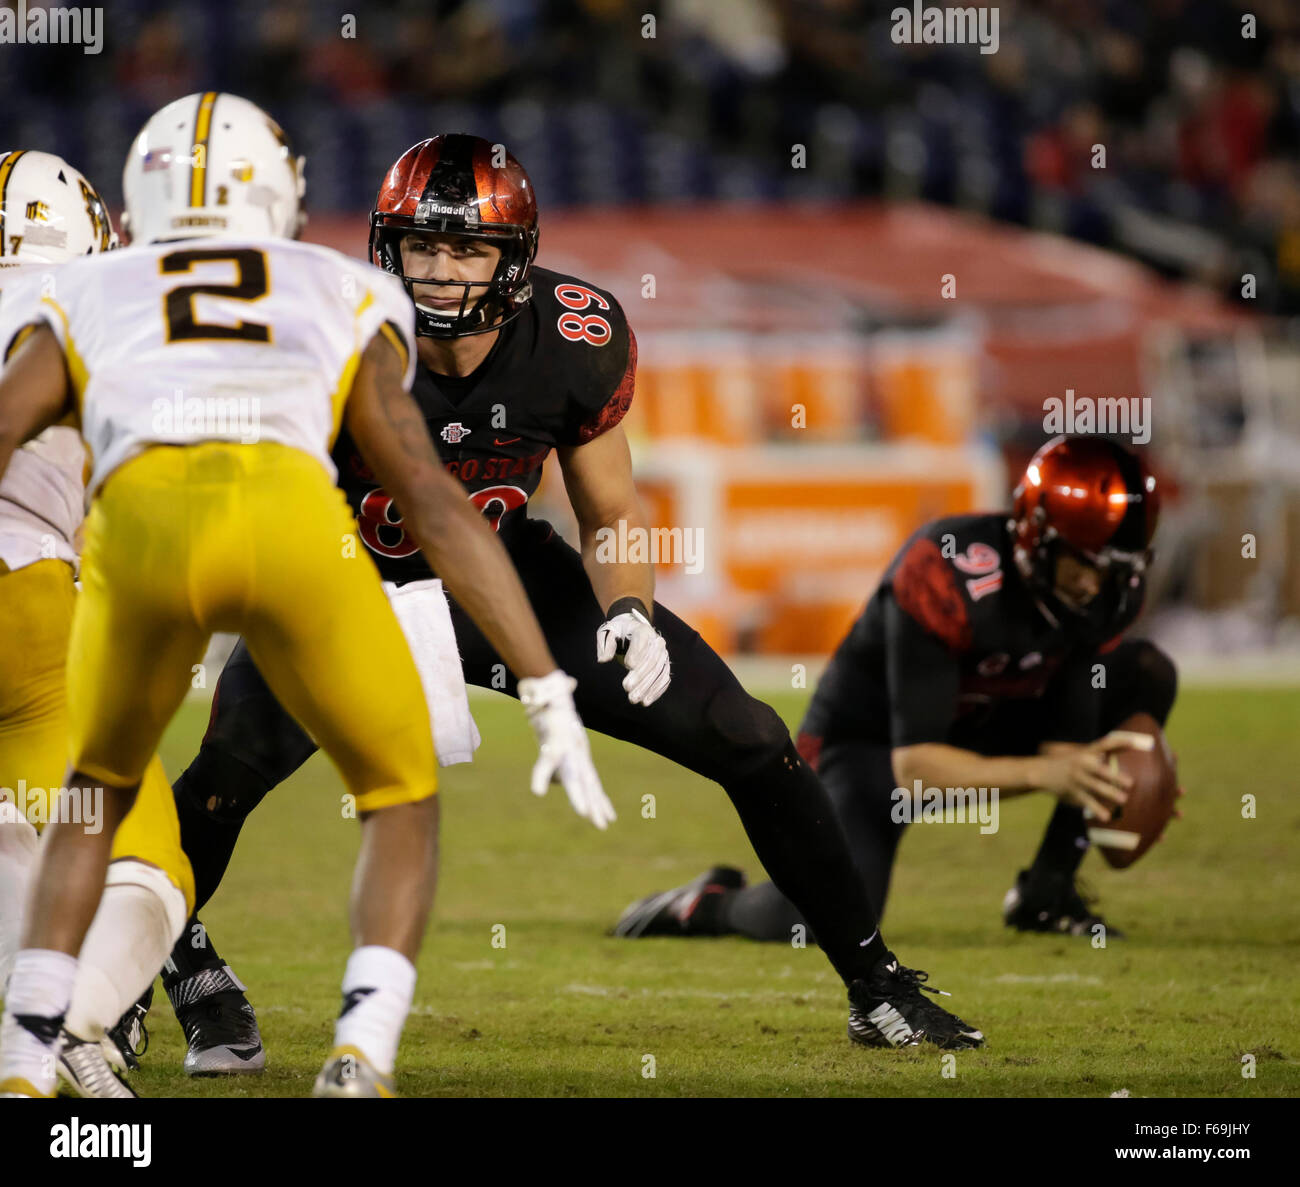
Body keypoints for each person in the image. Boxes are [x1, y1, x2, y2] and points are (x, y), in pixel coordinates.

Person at [156, 133, 984, 1070]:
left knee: (749, 736)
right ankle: (169, 964)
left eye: (467, 248)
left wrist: (628, 610)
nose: (439, 272)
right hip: (339, 582)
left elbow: (613, 510)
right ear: (387, 248)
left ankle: (874, 984)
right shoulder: (337, 331)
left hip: (504, 580)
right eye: (421, 246)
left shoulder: (574, 336)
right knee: (221, 780)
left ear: (518, 259)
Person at [0, 95, 606, 1099]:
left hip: (141, 534)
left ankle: (27, 1058)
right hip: (287, 527)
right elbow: (429, 496)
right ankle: (360, 1051)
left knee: (90, 798)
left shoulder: (97, 291)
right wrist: (543, 682)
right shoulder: (335, 284)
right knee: (398, 792)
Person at [613, 436, 1178, 944]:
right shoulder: (946, 571)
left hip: (981, 722)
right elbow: (916, 770)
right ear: (1036, 536)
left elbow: (1069, 745)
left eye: (1112, 565)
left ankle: (1048, 892)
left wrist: (1128, 783)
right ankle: (709, 904)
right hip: (869, 747)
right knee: (817, 921)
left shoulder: (1109, 592)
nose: (1095, 582)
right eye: (1083, 562)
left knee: (1147, 672)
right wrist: (1043, 773)